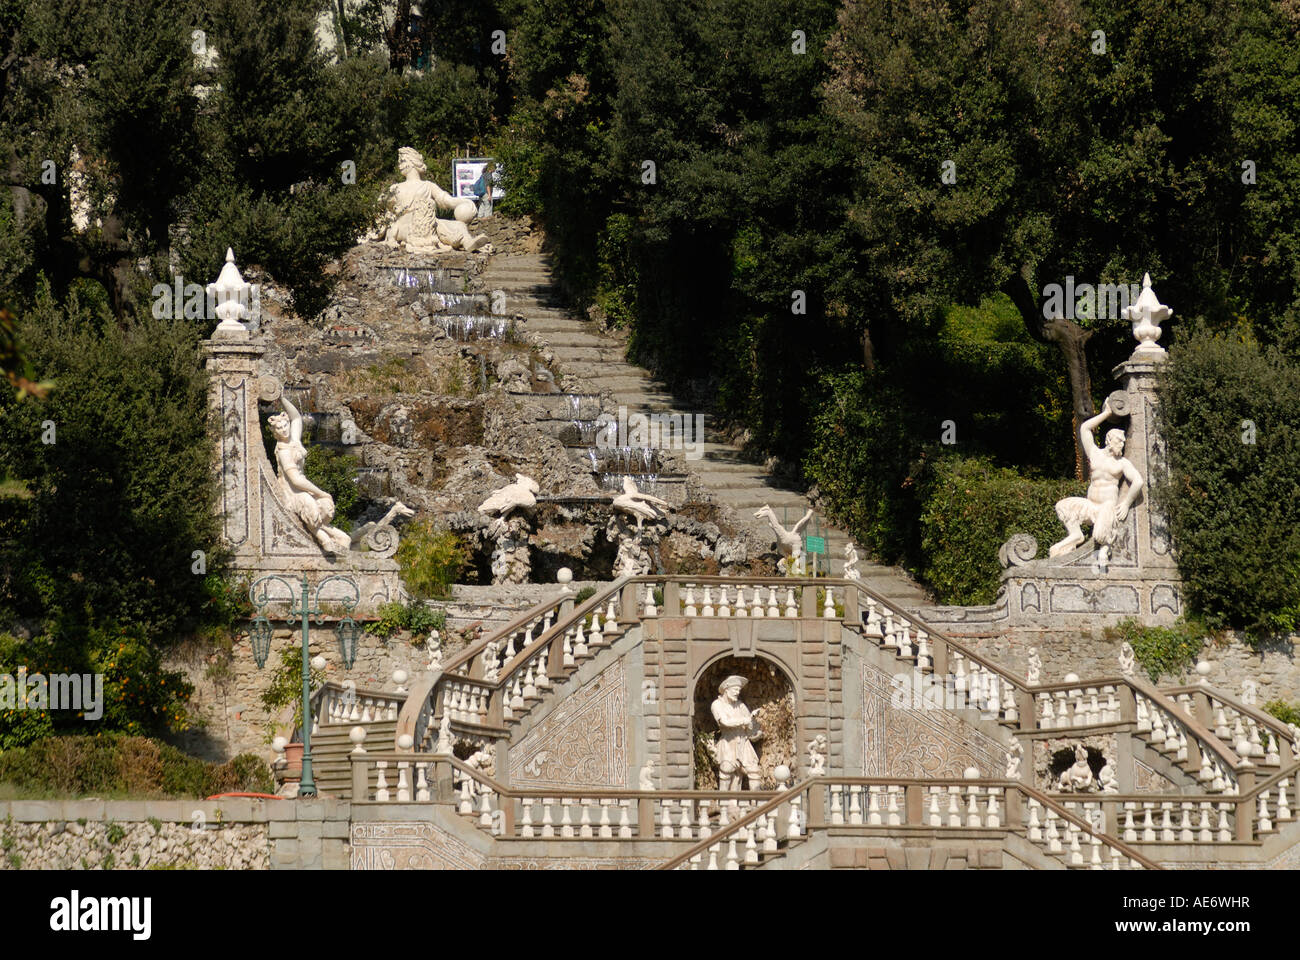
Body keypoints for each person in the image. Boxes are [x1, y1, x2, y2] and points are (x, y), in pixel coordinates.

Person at [1048, 397, 1143, 566]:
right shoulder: (1095, 454)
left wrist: (1127, 503)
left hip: (1107, 508)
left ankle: (1104, 552)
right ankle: (1076, 535)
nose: (1121, 444)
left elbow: (1138, 481)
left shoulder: (1121, 463)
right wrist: (1106, 413)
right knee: (1063, 506)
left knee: (1100, 535)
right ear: (1108, 440)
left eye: (1123, 442)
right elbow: (1084, 428)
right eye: (1118, 441)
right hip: (1090, 505)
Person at [711, 675, 763, 791]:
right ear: (726, 689)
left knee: (754, 771)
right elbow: (725, 722)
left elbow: (749, 729)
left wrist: (752, 721)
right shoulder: (717, 705)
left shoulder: (741, 705)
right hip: (728, 741)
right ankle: (723, 805)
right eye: (735, 690)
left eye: (739, 690)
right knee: (727, 771)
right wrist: (745, 720)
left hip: (743, 742)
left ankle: (757, 803)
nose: (737, 693)